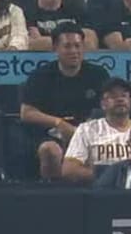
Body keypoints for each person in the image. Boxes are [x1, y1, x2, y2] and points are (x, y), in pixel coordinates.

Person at [20, 23, 109, 181]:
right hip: (49, 134)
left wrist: (83, 131)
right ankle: (55, 194)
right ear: (55, 48)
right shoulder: (40, 76)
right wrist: (59, 123)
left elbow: (107, 108)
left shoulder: (99, 75)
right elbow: (27, 113)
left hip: (89, 132)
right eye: (67, 46)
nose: (74, 51)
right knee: (50, 150)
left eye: (77, 46)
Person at [61, 77, 131, 183]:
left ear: (130, 101)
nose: (120, 99)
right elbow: (69, 170)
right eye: (113, 96)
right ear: (103, 104)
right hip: (100, 192)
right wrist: (110, 176)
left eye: (124, 95)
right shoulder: (86, 129)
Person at [16, 0, 94, 50]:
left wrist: (43, 42)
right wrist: (71, 41)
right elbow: (27, 44)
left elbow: (90, 42)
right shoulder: (26, 12)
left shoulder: (75, 8)